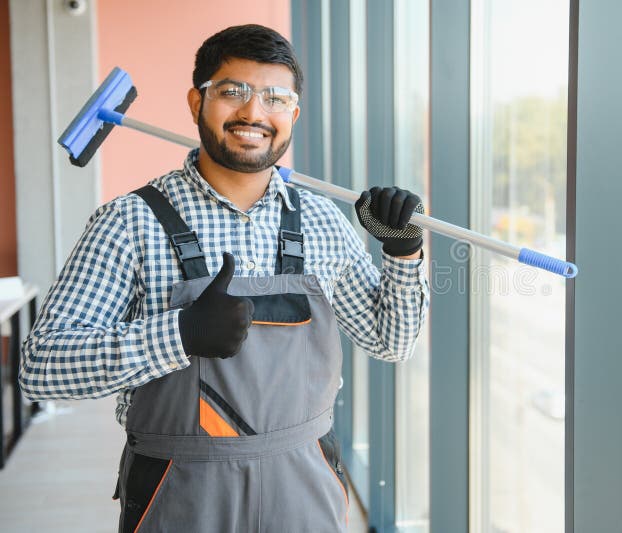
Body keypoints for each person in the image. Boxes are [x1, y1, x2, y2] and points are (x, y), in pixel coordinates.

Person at [20, 24, 429, 533]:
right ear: (197, 102)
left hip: (305, 484)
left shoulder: (323, 221)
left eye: (275, 98)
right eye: (233, 92)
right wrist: (178, 334)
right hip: (181, 490)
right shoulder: (129, 221)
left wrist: (403, 252)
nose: (254, 113)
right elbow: (42, 367)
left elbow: (394, 341)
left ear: (293, 115)